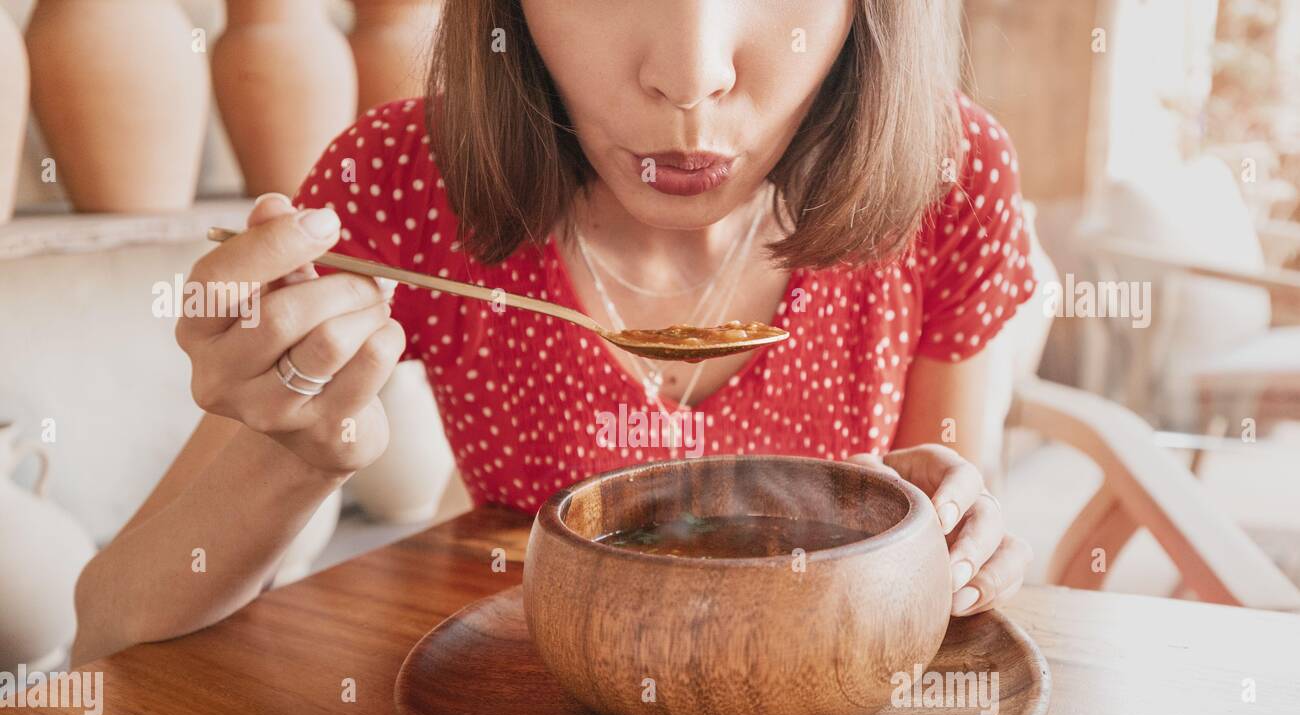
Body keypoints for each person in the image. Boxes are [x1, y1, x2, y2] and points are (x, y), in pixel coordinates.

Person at [72, 0, 1034, 664]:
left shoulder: (950, 176)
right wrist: (298, 452)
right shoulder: (415, 179)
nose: (688, 79)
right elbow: (112, 626)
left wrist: (959, 535)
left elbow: (952, 550)